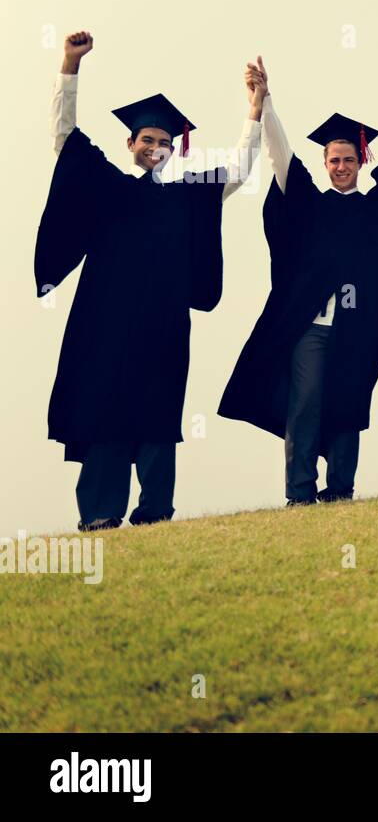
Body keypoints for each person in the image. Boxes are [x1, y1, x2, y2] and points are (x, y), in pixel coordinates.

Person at [37, 31, 262, 531]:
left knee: (159, 413)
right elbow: (64, 140)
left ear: (174, 147)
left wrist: (255, 108)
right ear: (131, 144)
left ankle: (155, 510)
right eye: (148, 140)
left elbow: (241, 169)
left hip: (162, 327)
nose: (156, 147)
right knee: (104, 410)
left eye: (164, 141)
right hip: (103, 324)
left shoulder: (187, 196)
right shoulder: (109, 188)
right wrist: (70, 66)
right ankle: (99, 513)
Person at [219, 59, 378, 506]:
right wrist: (265, 100)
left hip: (358, 329)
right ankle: (300, 493)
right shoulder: (310, 207)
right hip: (311, 328)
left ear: (360, 161)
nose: (340, 166)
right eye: (334, 159)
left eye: (348, 159)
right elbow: (280, 156)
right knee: (306, 404)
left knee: (349, 405)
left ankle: (340, 490)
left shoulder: (376, 212)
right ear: (325, 162)